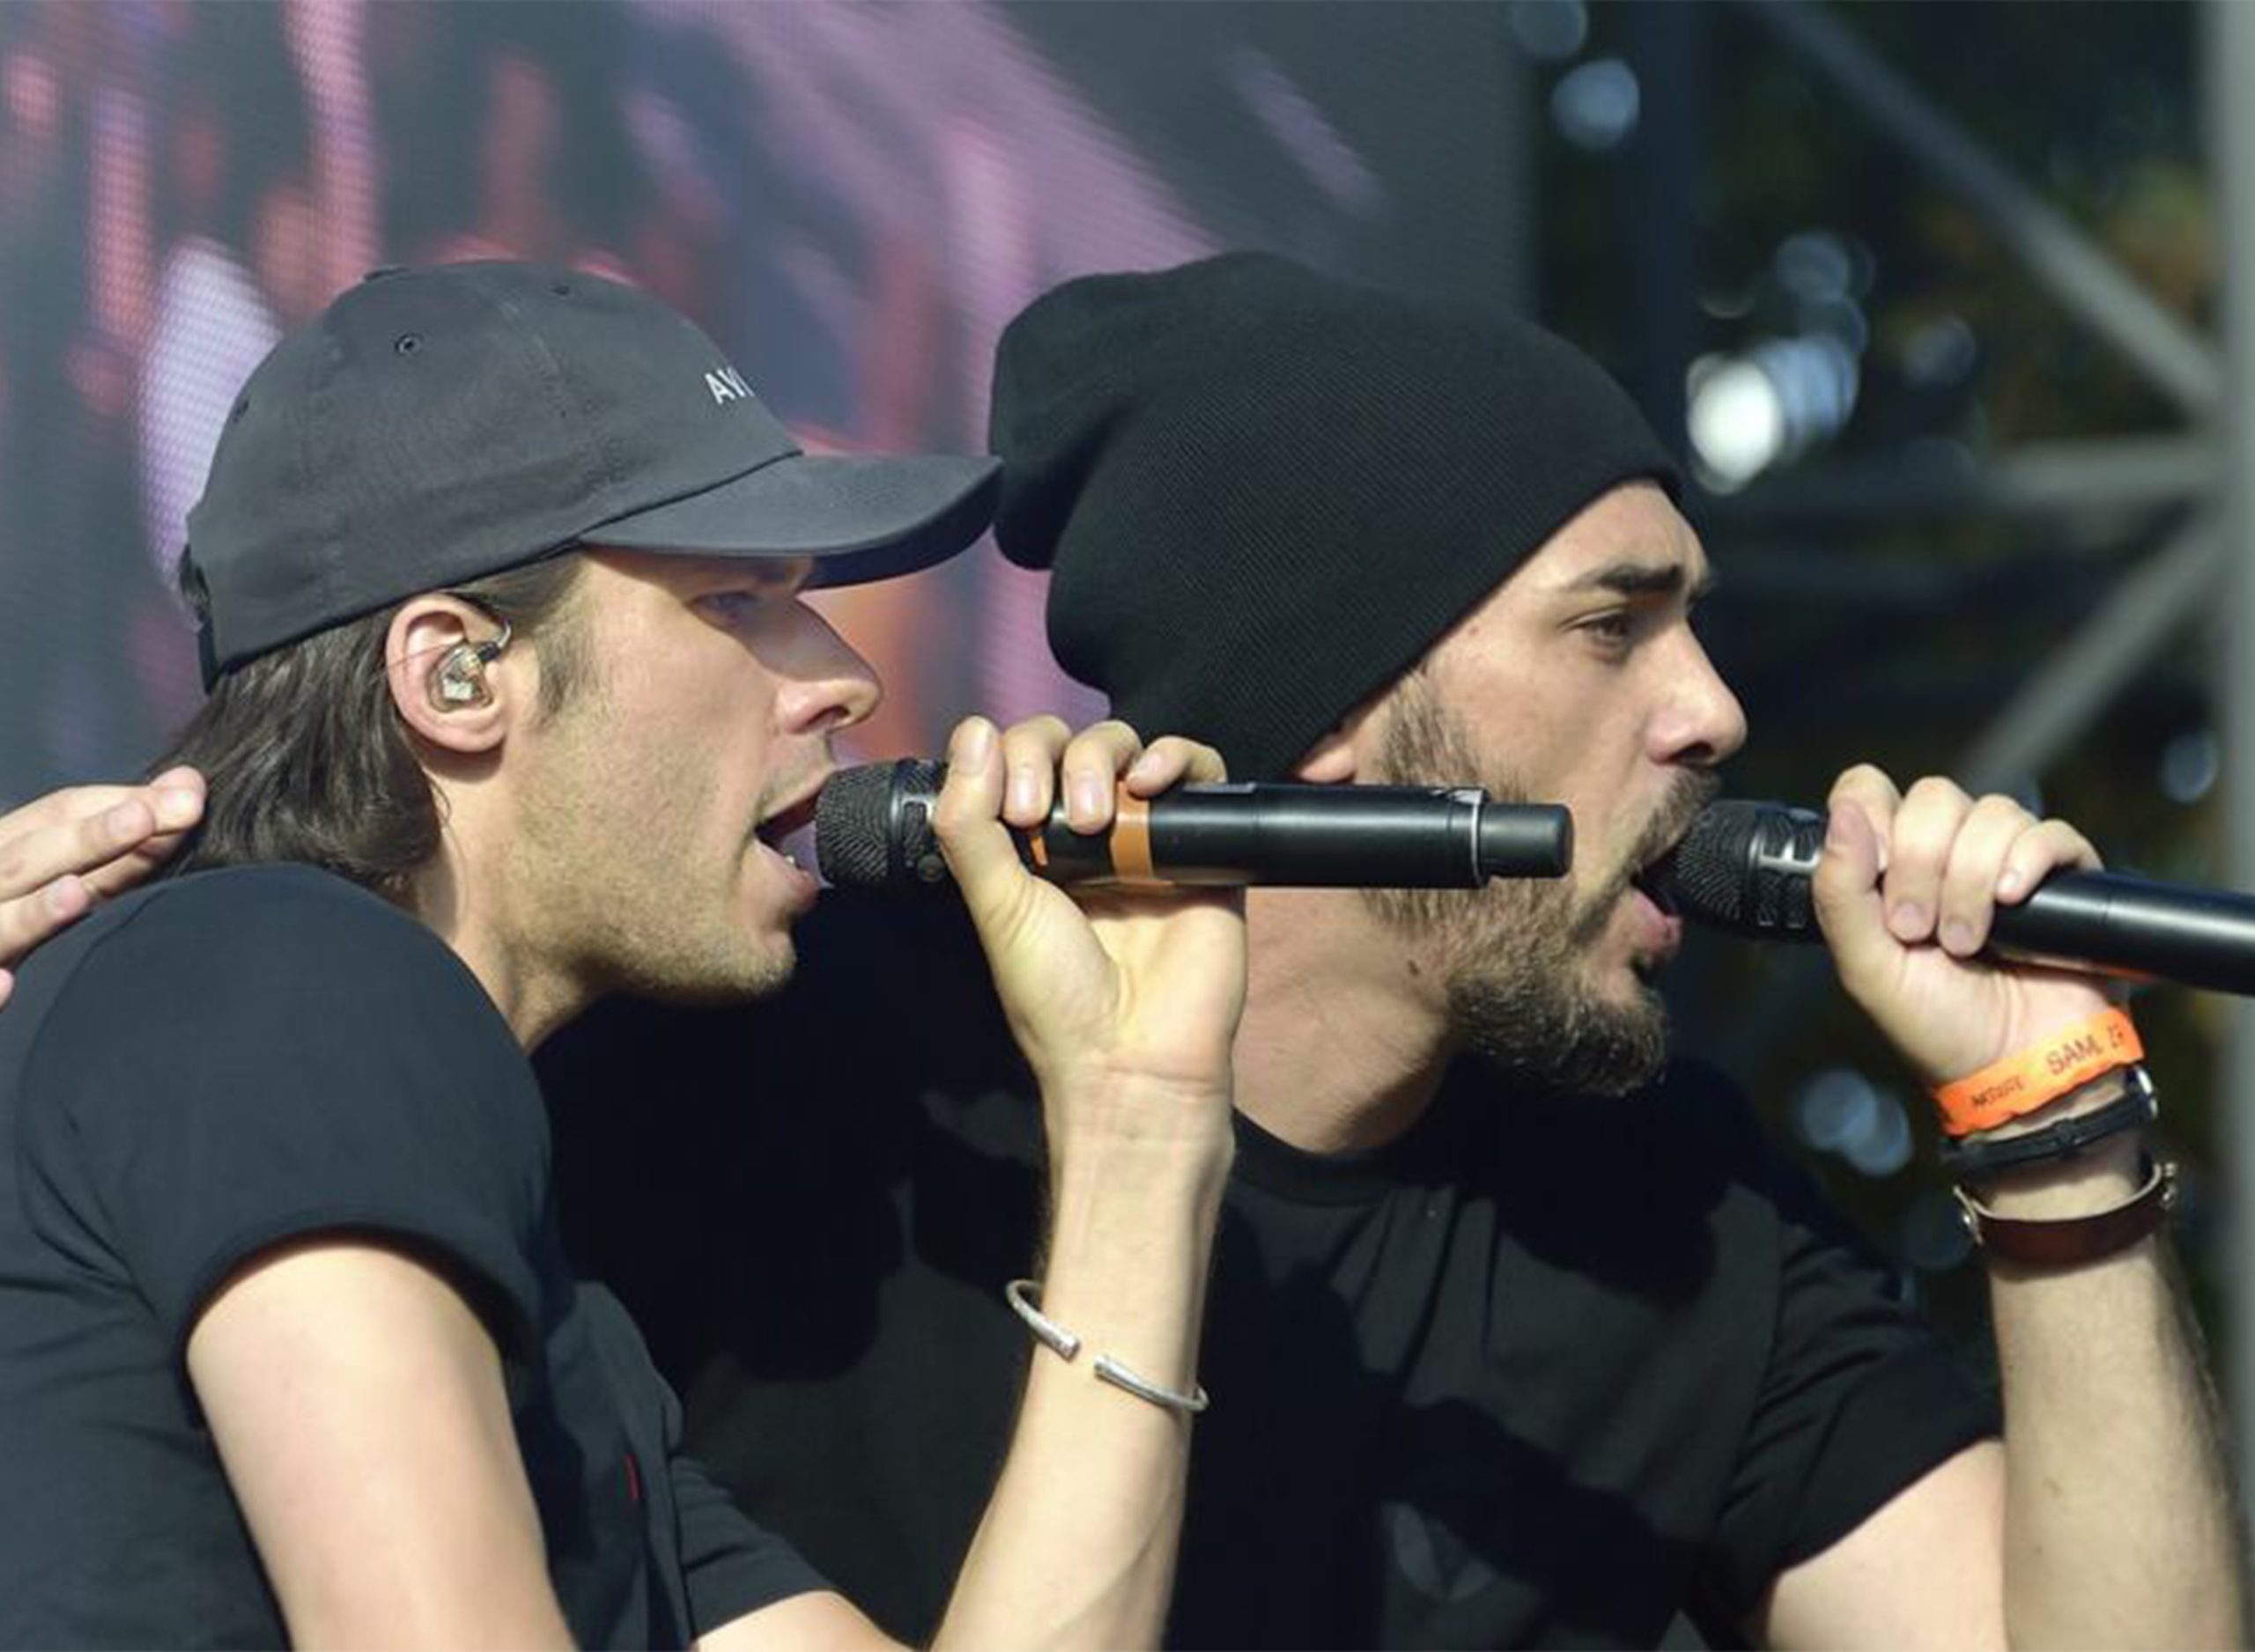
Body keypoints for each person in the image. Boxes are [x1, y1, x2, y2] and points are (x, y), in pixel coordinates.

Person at [10, 254, 2244, 1648]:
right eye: (1610, 618)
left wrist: (2047, 1108)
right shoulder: (369, 1002)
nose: (842, 679)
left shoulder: (557, 1329)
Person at [0, 260, 1246, 1648]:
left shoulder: (574, 1354)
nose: (845, 677)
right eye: (734, 602)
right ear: (457, 677)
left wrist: (1142, 1119)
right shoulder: (285, 968)